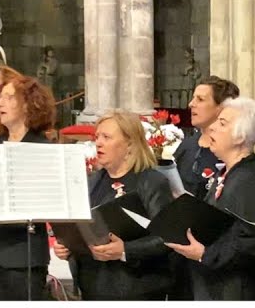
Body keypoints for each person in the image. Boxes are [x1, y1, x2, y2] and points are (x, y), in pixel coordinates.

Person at [53, 111, 174, 299]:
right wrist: (67, 246)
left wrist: (125, 250)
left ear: (130, 144)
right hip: (92, 286)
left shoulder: (151, 181)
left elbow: (168, 238)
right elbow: (81, 227)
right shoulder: (92, 181)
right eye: (97, 137)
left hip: (136, 288)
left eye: (106, 137)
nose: (98, 142)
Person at [165, 97, 255, 300]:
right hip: (212, 284)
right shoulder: (228, 172)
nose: (212, 128)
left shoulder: (249, 181)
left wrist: (204, 254)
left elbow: (251, 243)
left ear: (241, 137)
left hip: (235, 290)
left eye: (222, 123)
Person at [0, 75, 55, 300]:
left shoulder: (42, 148)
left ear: (29, 104)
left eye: (8, 98)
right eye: (0, 98)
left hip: (21, 254)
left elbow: (44, 200)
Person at [172, 76, 240, 202]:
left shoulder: (229, 151)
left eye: (200, 99)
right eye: (193, 98)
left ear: (221, 107)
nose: (191, 104)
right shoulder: (188, 144)